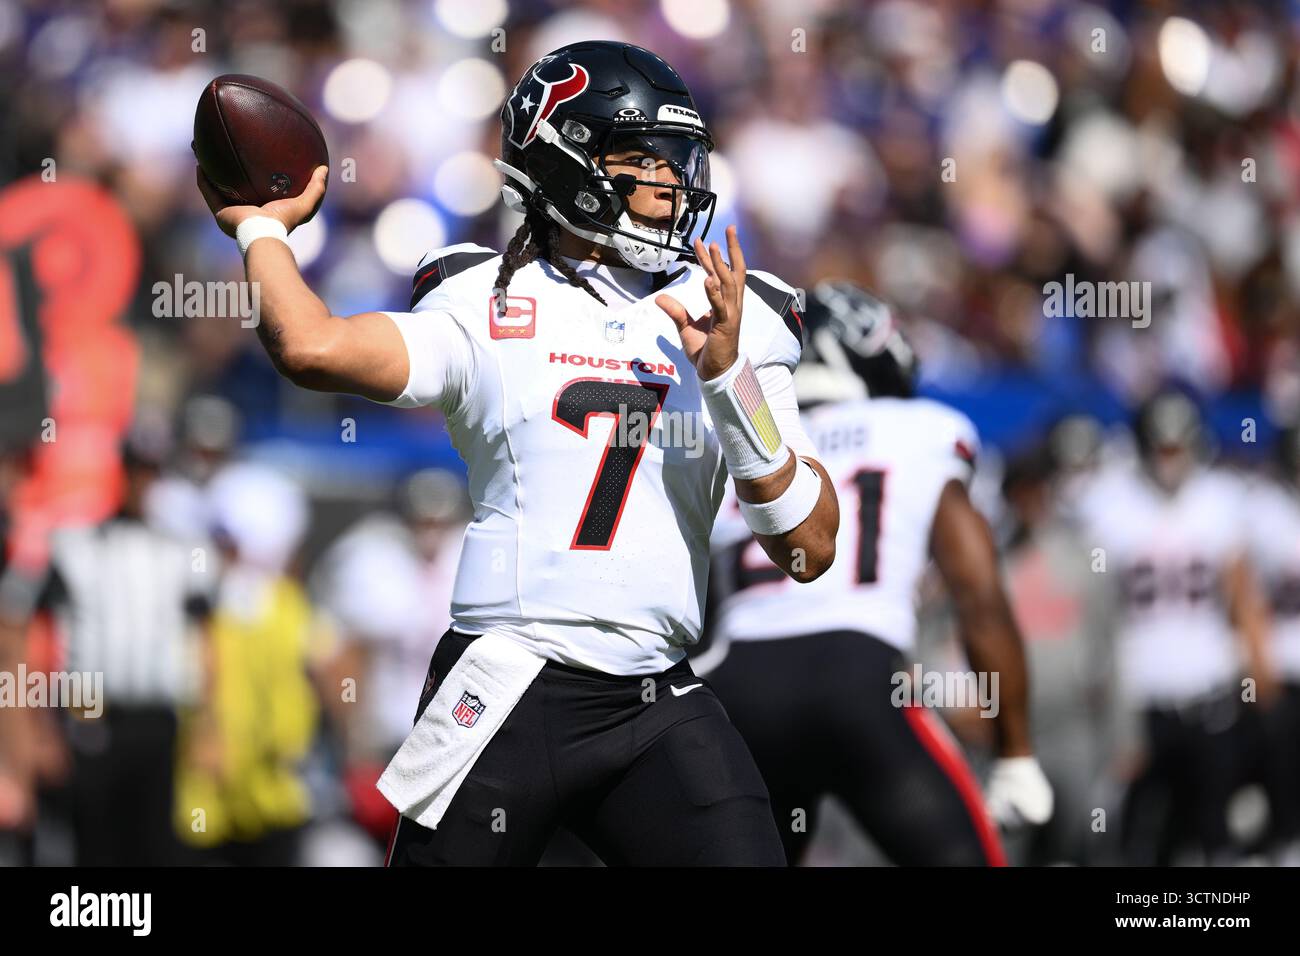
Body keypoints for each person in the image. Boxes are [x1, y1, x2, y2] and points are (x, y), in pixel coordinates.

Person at [196, 40, 839, 866]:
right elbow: (311, 347)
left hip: (655, 693)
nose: (670, 184)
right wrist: (260, 229)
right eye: (641, 159)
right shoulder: (483, 298)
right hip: (508, 681)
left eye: (676, 161)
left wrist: (729, 381)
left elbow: (809, 545)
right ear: (564, 159)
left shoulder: (730, 313)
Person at [702, 282, 1050, 865]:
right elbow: (979, 594)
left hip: (737, 690)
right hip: (859, 678)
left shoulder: (735, 445)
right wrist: (1015, 750)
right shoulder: (922, 429)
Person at [1076, 386, 1275, 865]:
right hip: (1137, 702)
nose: (1169, 457)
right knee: (1135, 836)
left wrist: (1259, 674)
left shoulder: (1220, 499)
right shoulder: (1105, 504)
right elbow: (1090, 610)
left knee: (1214, 831)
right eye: (1159, 445)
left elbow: (1242, 596)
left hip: (1210, 694)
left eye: (1177, 444)